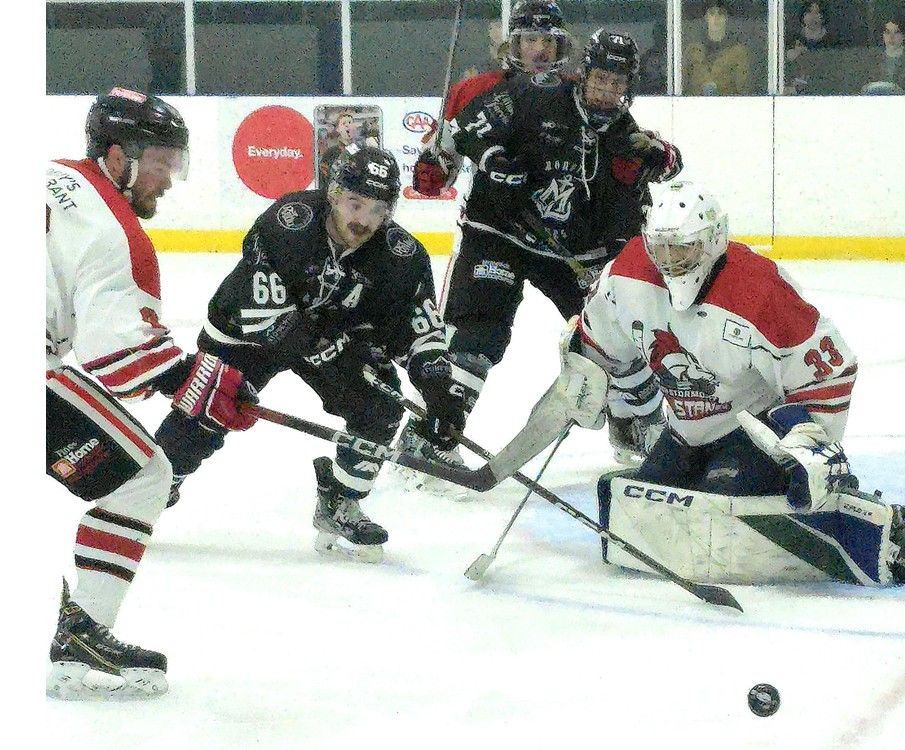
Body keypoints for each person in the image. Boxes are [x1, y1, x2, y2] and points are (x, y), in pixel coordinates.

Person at [565, 181, 905, 585]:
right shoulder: (627, 276)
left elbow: (830, 372)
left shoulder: (759, 291)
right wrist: (587, 377)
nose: (670, 261)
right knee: (635, 502)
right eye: (660, 248)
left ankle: (824, 498)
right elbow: (597, 339)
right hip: (686, 432)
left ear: (714, 240)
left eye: (682, 248)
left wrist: (813, 452)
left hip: (754, 432)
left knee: (718, 500)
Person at [154, 143, 466, 563]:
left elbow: (417, 327)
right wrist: (323, 349)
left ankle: (340, 501)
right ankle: (156, 483)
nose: (364, 219)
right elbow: (263, 308)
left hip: (333, 339)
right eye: (356, 203)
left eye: (378, 209)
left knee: (379, 406)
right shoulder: (289, 222)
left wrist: (438, 387)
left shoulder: (401, 257)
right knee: (213, 398)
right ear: (335, 193)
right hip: (248, 328)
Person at [46, 88, 257, 698]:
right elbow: (117, 357)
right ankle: (83, 636)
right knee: (145, 476)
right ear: (119, 157)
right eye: (162, 161)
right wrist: (199, 380)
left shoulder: (50, 175)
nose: (168, 180)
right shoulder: (119, 235)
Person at [399, 29, 683, 475]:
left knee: (622, 336)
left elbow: (629, 213)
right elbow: (463, 129)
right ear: (584, 73)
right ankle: (431, 436)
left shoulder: (625, 138)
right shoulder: (539, 93)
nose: (607, 91)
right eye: (600, 79)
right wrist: (488, 155)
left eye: (618, 83)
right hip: (500, 235)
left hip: (564, 254)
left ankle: (633, 425)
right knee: (476, 339)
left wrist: (608, 267)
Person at [413, 0, 573, 201]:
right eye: (531, 39)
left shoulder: (577, 95)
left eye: (549, 40)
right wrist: (435, 167)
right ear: (515, 45)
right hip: (490, 221)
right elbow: (441, 166)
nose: (541, 49)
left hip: (561, 220)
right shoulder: (475, 91)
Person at [682, 1, 750, 95]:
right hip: (695, 106)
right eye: (712, 13)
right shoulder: (692, 51)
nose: (716, 18)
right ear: (706, 17)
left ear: (726, 18)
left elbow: (744, 89)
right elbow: (683, 86)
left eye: (721, 14)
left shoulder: (738, 52)